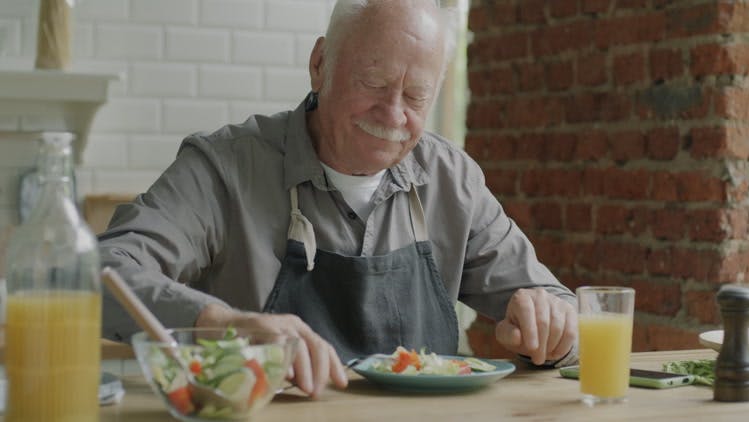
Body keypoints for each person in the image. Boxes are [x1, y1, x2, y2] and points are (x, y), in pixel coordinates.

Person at [99, 0, 578, 399]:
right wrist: (220, 324)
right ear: (319, 64)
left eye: (415, 97)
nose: (392, 114)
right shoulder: (225, 167)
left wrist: (553, 327)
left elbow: (558, 310)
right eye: (373, 82)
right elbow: (97, 272)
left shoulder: (451, 180)